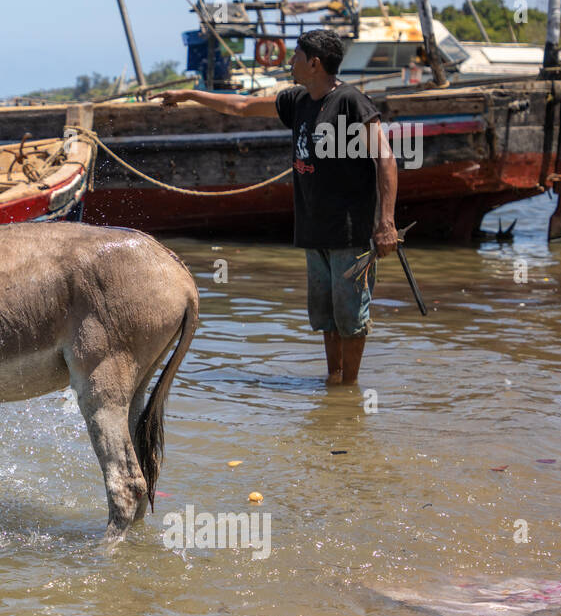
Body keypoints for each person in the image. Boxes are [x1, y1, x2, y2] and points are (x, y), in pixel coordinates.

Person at [159, 28, 398, 384]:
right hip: (314, 229)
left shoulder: (350, 102)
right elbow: (240, 106)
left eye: (297, 56)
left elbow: (386, 159)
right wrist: (190, 95)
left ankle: (350, 391)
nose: (291, 62)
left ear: (314, 63)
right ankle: (334, 383)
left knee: (351, 319)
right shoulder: (297, 102)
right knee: (326, 318)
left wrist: (386, 223)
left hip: (350, 232)